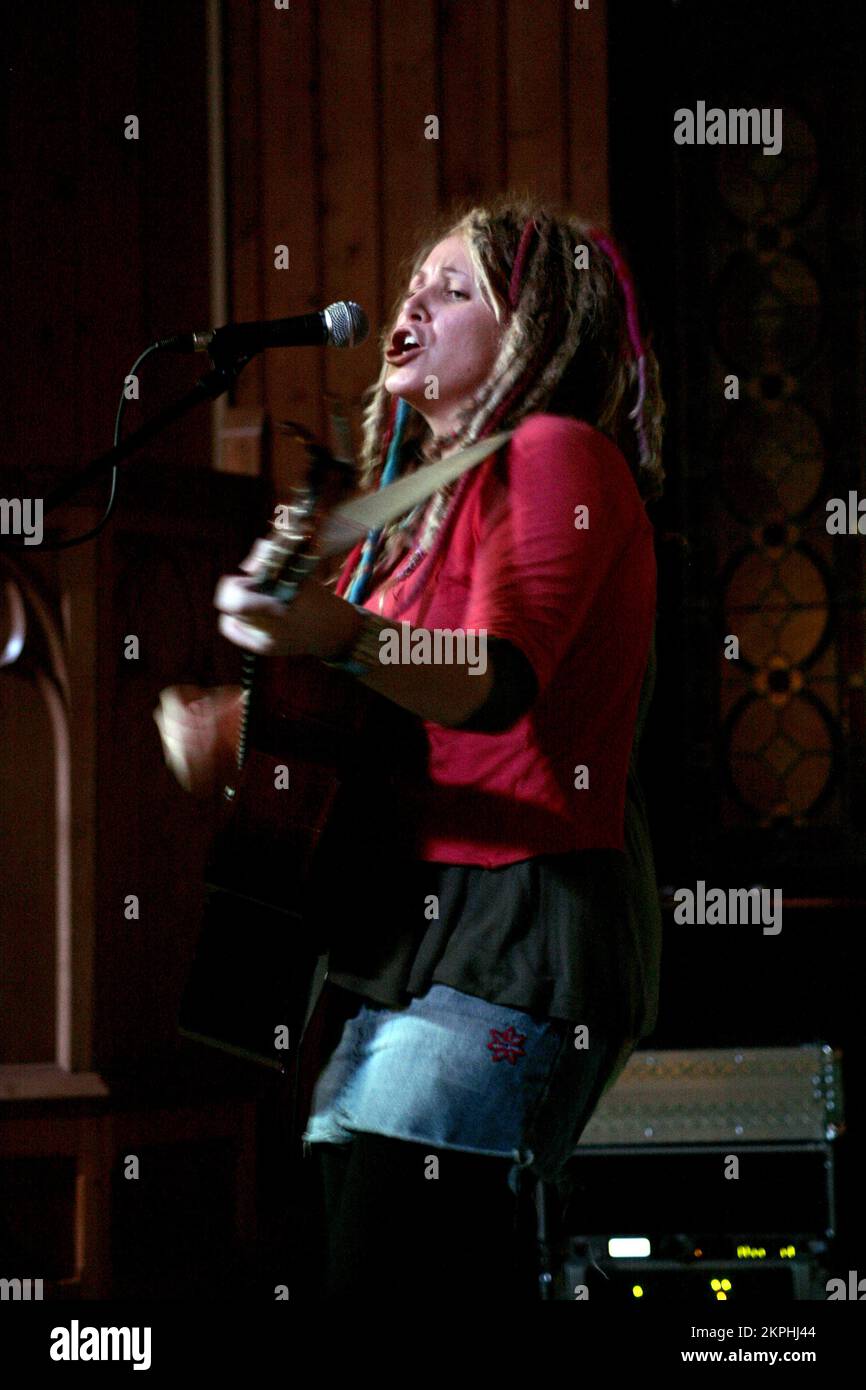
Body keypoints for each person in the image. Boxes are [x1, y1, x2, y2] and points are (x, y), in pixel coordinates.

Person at [155, 197, 666, 1301]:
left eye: (455, 288)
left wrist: (329, 630)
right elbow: (369, 725)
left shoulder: (553, 453)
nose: (410, 306)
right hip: (402, 930)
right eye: (410, 285)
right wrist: (227, 725)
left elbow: (492, 682)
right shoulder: (408, 514)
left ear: (535, 330)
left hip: (512, 925)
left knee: (392, 1267)